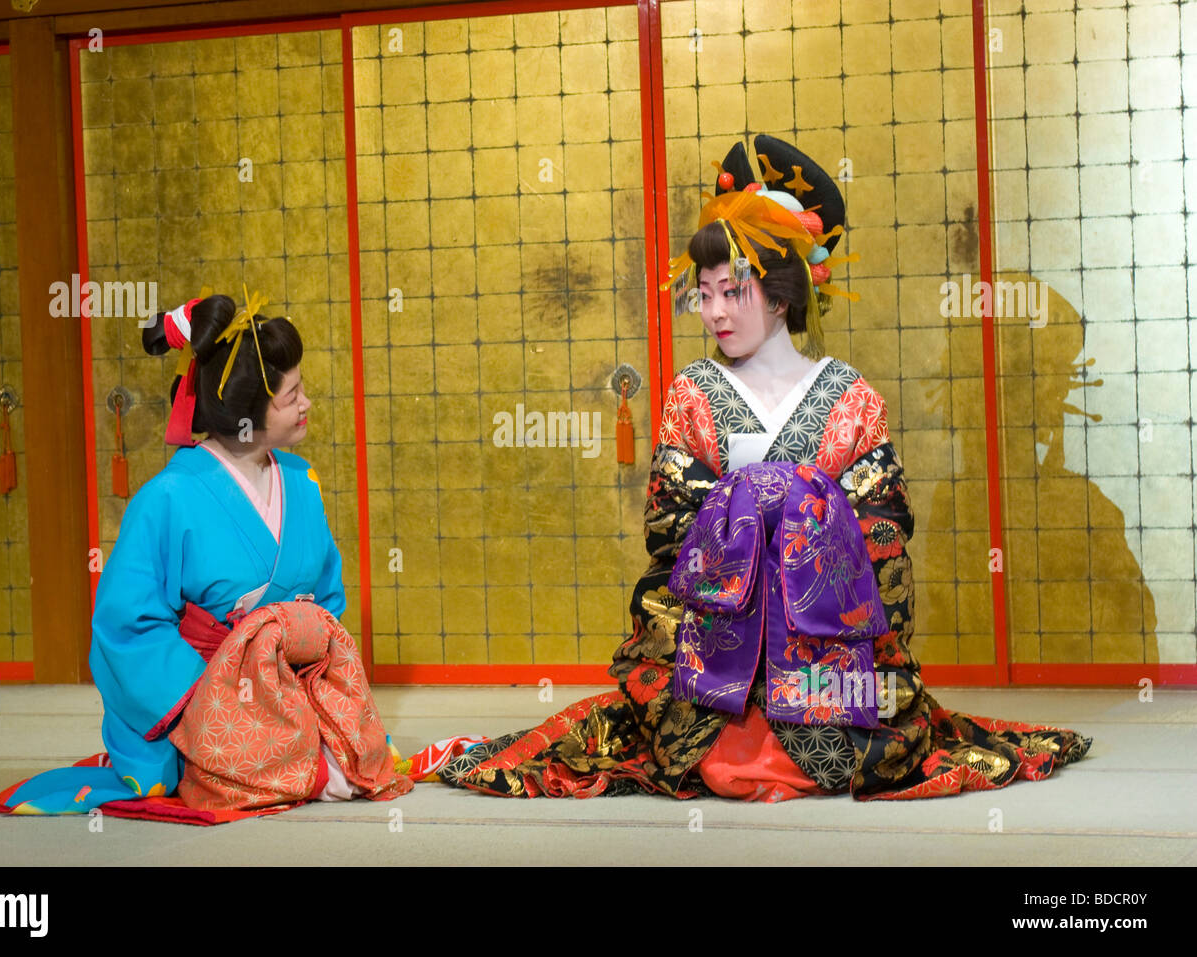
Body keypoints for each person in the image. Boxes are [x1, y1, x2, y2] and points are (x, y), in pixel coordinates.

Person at [437, 136, 1092, 801]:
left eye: (734, 291)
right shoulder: (692, 394)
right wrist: (768, 508)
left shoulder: (851, 397)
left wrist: (788, 511)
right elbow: (668, 534)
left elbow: (885, 534)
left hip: (825, 647)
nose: (713, 311)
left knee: (877, 729)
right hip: (721, 646)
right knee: (693, 740)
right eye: (705, 293)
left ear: (782, 294)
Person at [0, 288, 411, 821]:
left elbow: (326, 605)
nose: (305, 404)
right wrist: (209, 701)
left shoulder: (302, 485)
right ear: (246, 413)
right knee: (311, 771)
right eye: (291, 395)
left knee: (361, 761)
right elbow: (127, 623)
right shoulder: (168, 499)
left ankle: (300, 751)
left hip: (289, 690)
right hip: (206, 697)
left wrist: (314, 678)